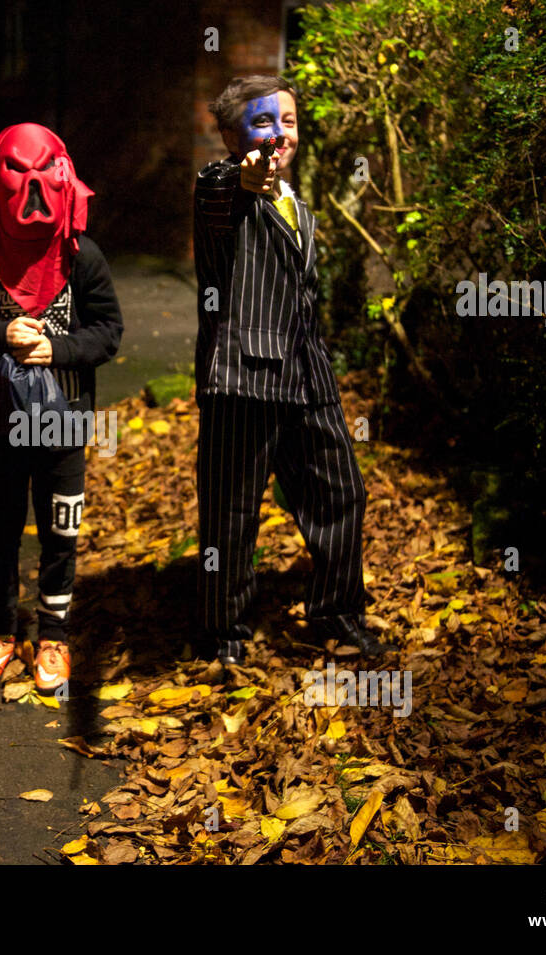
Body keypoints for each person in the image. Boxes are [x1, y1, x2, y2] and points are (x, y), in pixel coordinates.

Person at [193, 75, 390, 665]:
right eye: (262, 122)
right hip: (243, 378)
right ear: (232, 136)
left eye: (289, 121)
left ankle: (335, 615)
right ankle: (221, 632)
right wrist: (246, 172)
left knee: (342, 492)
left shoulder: (300, 207)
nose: (279, 134)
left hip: (307, 376)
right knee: (231, 512)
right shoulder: (220, 186)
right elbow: (228, 185)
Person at [0, 123, 123, 695]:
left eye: (46, 173)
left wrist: (58, 348)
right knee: (1, 532)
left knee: (60, 531)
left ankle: (54, 637)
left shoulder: (80, 254)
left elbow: (109, 331)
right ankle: (1, 632)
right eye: (19, 173)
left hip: (64, 424)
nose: (33, 187)